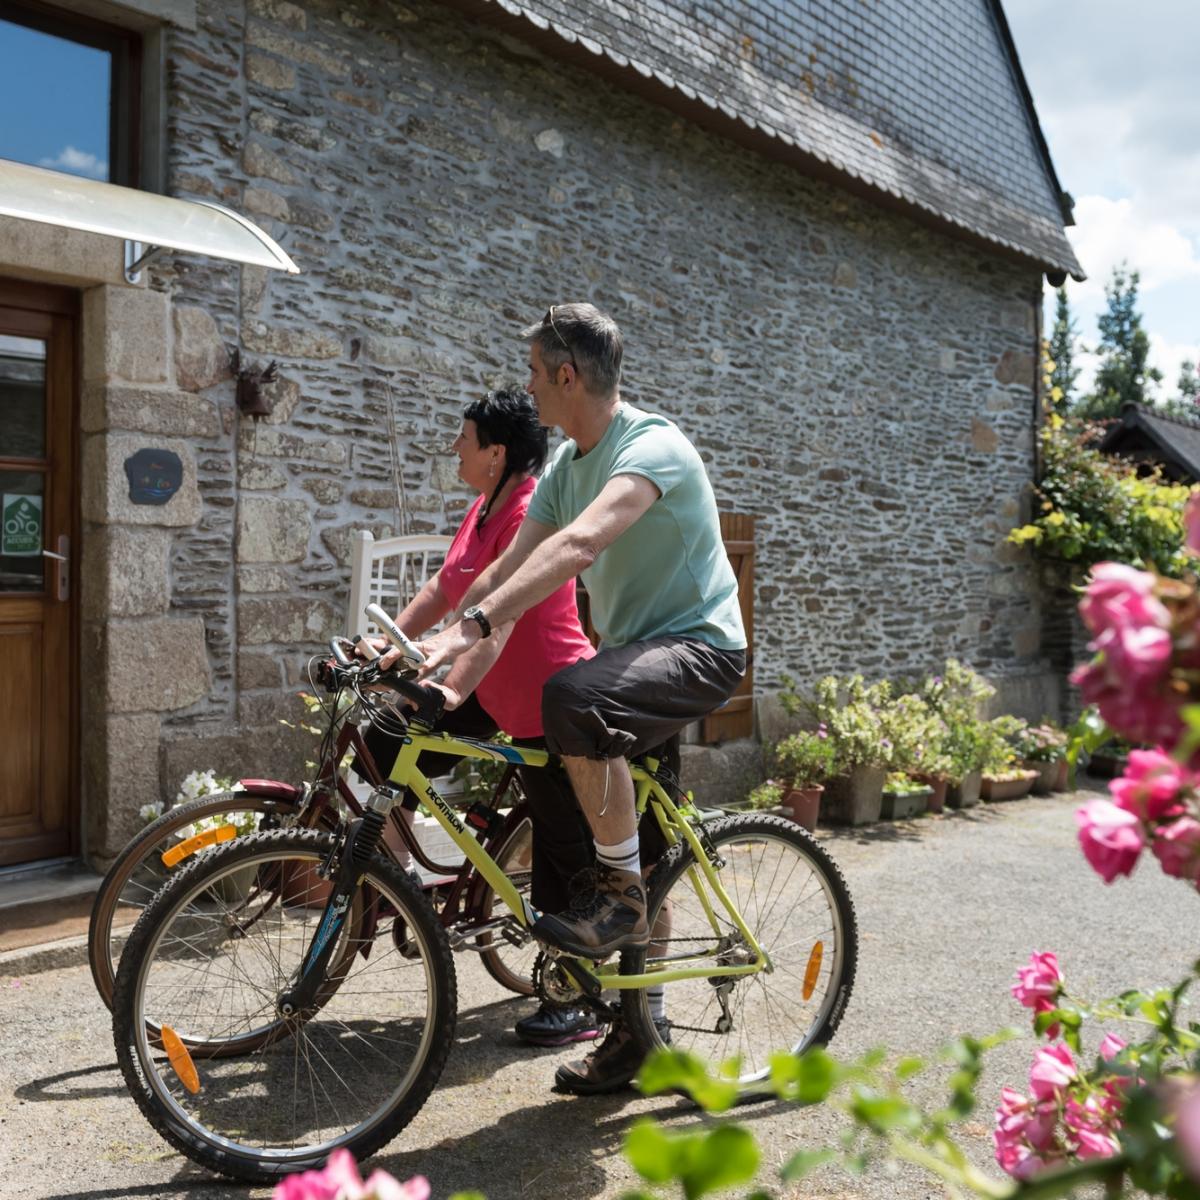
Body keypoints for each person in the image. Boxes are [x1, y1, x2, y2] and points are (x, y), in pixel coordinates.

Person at [409, 304, 747, 1093]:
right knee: (648, 847)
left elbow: (578, 545)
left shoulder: (649, 446)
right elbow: (505, 576)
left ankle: (619, 894)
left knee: (572, 700)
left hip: (701, 649)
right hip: (636, 658)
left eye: (533, 371)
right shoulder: (564, 464)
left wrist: (479, 620)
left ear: (567, 375)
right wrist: (443, 643)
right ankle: (640, 1035)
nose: (528, 387)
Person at [360, 387, 603, 1047]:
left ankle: (576, 995)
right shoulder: (481, 508)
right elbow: (447, 588)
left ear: (496, 454)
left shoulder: (532, 513)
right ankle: (400, 882)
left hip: (548, 699)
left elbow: (500, 606)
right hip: (490, 693)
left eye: (463, 439)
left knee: (563, 851)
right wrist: (388, 644)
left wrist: (452, 686)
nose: (454, 448)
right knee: (384, 738)